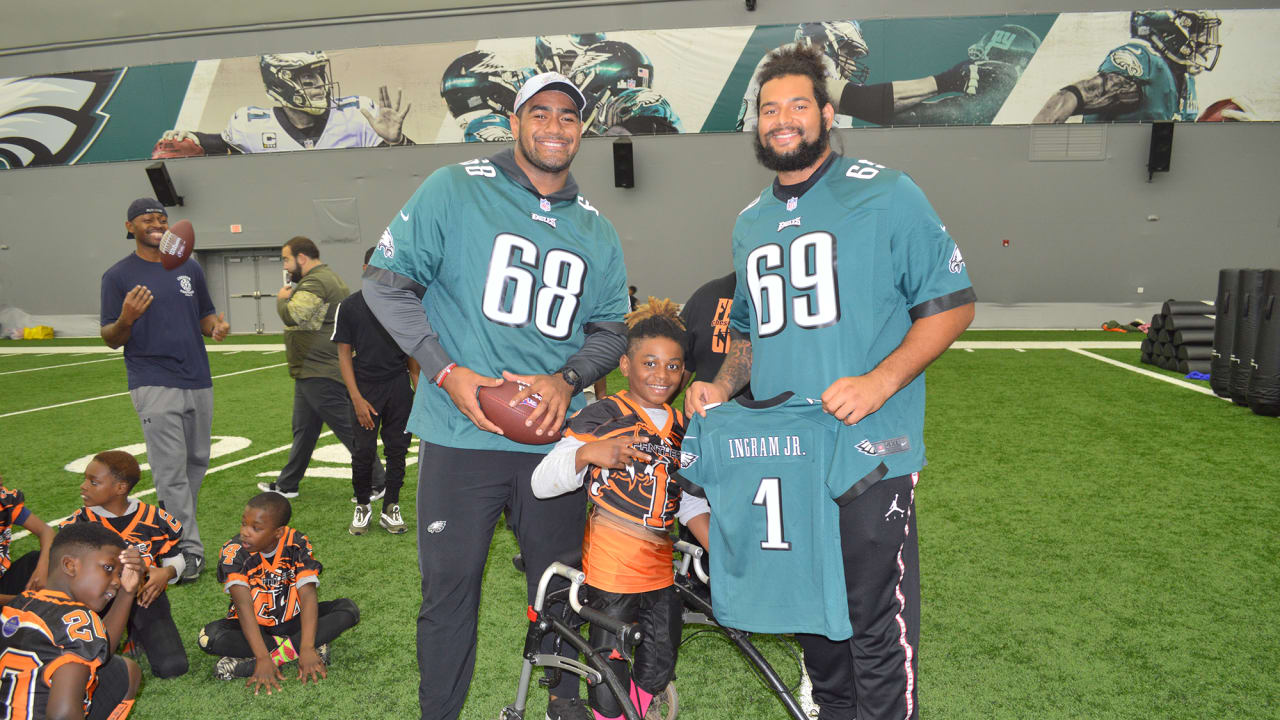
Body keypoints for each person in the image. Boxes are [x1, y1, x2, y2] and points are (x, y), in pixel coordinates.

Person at [686, 44, 975, 720]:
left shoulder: (887, 192)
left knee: (874, 623)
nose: (782, 119)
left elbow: (952, 304)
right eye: (769, 109)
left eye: (797, 105)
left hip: (869, 446)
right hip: (787, 453)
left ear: (826, 114)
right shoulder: (751, 221)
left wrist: (879, 382)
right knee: (813, 622)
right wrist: (722, 387)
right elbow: (748, 333)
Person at [363, 71, 630, 720]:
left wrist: (567, 380)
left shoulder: (596, 229)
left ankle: (564, 704)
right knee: (449, 590)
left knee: (561, 586)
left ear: (582, 129)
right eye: (540, 113)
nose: (554, 126)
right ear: (515, 122)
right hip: (462, 436)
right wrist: (446, 372)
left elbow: (610, 331)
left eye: (568, 116)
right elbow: (385, 283)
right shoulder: (455, 187)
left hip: (554, 443)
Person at [531, 299, 709, 720]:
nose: (662, 375)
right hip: (611, 575)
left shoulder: (684, 427)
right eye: (650, 363)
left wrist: (721, 546)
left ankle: (640, 712)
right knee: (608, 683)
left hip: (661, 574)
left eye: (673, 366)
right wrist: (587, 453)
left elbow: (688, 500)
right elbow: (541, 481)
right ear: (625, 365)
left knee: (658, 666)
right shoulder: (601, 415)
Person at [100, 197, 230, 583]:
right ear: (130, 227)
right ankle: (187, 553)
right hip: (152, 379)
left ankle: (167, 529)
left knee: (196, 462)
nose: (156, 224)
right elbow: (111, 337)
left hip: (198, 377)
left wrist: (215, 327)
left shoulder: (189, 266)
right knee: (171, 470)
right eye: (147, 219)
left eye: (161, 219)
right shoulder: (117, 276)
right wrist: (127, 318)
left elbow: (204, 315)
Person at [259, 236, 385, 499]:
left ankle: (378, 481)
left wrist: (282, 299)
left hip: (320, 370)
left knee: (347, 428)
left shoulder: (316, 282)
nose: (285, 266)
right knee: (304, 432)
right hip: (312, 369)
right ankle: (288, 484)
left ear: (301, 258)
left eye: (286, 259)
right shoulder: (326, 278)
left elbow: (295, 315)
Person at [197, 492, 360, 692]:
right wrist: (263, 657)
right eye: (244, 524)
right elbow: (243, 606)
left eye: (256, 528)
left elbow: (308, 595)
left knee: (348, 609)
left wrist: (306, 648)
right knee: (209, 637)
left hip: (293, 620)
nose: (245, 532)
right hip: (254, 627)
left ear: (278, 532)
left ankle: (278, 655)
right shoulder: (234, 552)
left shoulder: (296, 542)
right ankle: (300, 646)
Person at [737, 20, 1004, 131]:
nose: (852, 62)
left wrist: (966, 107)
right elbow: (871, 103)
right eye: (848, 51)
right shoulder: (791, 60)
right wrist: (946, 80)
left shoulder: (831, 94)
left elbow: (892, 112)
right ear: (824, 41)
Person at [0, 522, 145, 720]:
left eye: (119, 574)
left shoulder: (20, 603)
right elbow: (62, 714)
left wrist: (127, 592)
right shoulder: (78, 620)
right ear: (70, 565)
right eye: (108, 568)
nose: (117, 581)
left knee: (124, 670)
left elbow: (101, 649)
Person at [69, 451, 189, 678]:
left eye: (93, 482)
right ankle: (115, 636)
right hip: (96, 602)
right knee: (85, 663)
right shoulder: (79, 524)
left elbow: (176, 558)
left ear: (120, 488)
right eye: (85, 479)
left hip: (144, 596)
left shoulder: (155, 518)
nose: (83, 486)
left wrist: (167, 572)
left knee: (173, 666)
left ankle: (136, 632)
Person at [155, 52, 411, 155]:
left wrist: (396, 141)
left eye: (319, 75)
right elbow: (222, 145)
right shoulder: (251, 124)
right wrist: (193, 138)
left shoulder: (357, 113)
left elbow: (410, 170)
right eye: (307, 78)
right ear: (279, 83)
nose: (319, 84)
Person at [334, 246, 419, 535]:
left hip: (398, 386)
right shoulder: (350, 306)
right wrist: (356, 398)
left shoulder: (403, 304)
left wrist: (418, 392)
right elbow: (344, 354)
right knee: (363, 451)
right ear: (365, 270)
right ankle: (362, 504)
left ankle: (391, 506)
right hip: (365, 388)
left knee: (398, 450)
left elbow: (412, 354)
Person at [1034, 10, 1221, 123]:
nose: (1207, 46)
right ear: (1171, 29)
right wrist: (1035, 140)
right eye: (1199, 32)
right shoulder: (1145, 62)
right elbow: (1079, 93)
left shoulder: (1187, 81)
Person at [0, 471, 55, 604]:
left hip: (4, 580)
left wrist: (42, 567)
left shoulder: (4, 503)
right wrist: (22, 601)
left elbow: (46, 531)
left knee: (42, 558)